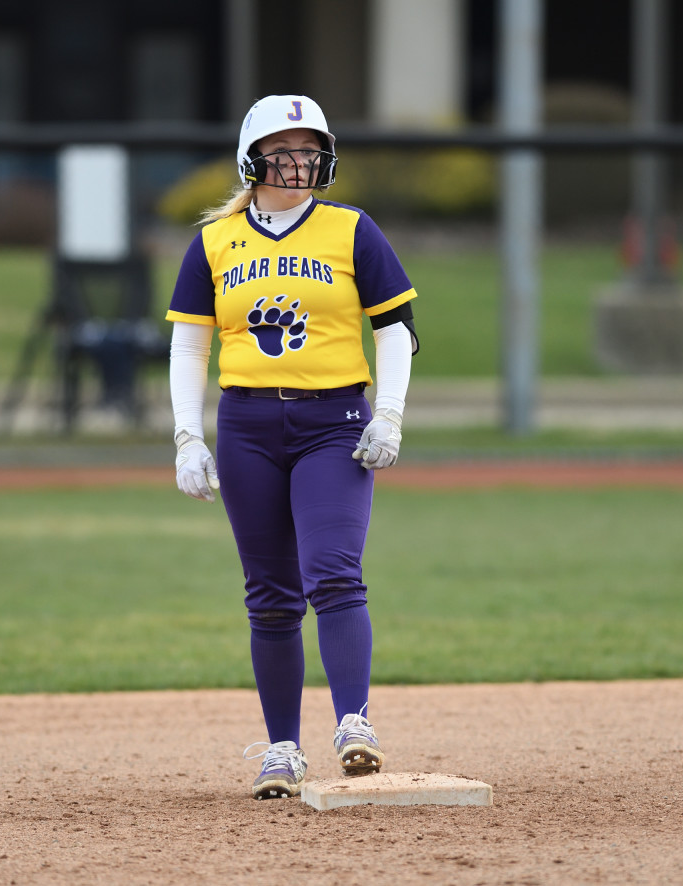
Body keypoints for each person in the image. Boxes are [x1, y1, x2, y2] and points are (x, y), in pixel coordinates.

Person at [165, 95, 419, 800]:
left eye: (310, 148)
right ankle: (282, 749)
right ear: (251, 158)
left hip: (334, 421)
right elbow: (189, 346)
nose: (299, 161)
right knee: (270, 596)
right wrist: (187, 436)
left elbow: (395, 329)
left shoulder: (352, 229)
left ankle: (354, 724)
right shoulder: (215, 241)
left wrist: (389, 416)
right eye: (283, 149)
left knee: (333, 572)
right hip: (247, 425)